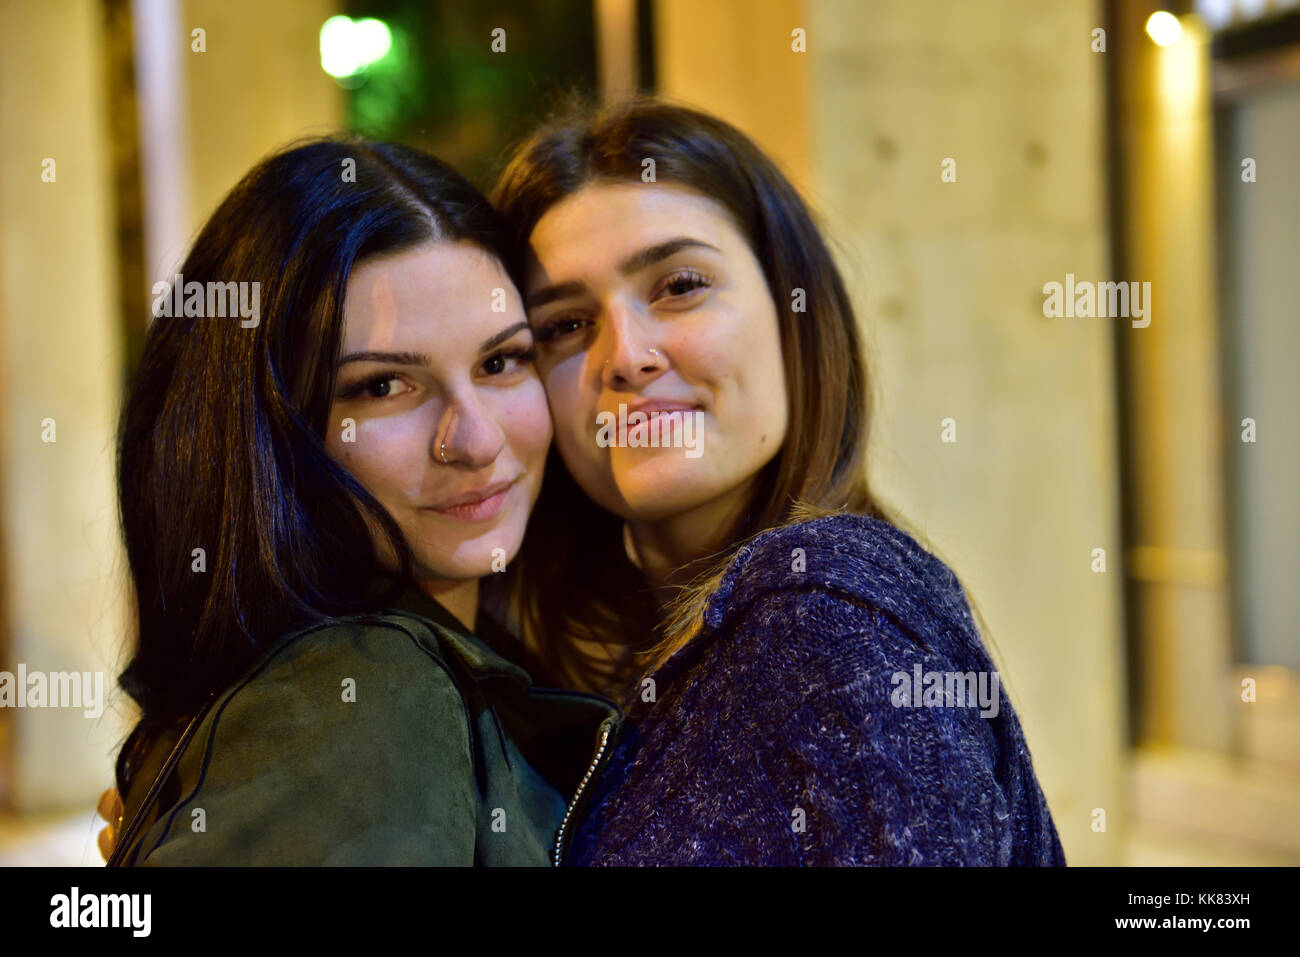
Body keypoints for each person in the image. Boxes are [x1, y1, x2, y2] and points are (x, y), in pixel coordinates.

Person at [492, 97, 1067, 865]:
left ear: (792, 309)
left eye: (679, 284)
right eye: (565, 324)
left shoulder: (821, 612)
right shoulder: (633, 660)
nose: (625, 355)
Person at [106, 136, 620, 865]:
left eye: (501, 361)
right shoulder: (366, 698)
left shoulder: (435, 675)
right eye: (383, 386)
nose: (474, 439)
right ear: (264, 431)